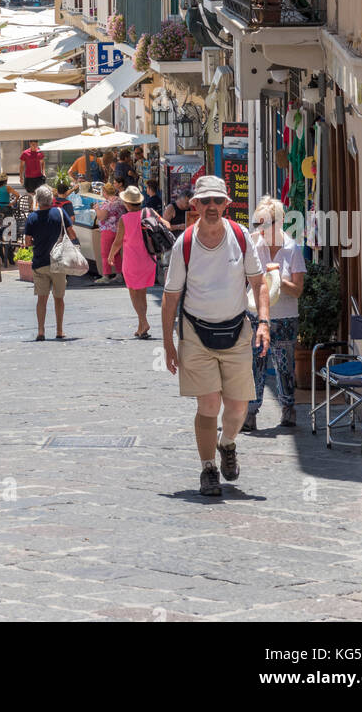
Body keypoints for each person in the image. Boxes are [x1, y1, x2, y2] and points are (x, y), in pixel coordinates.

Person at [161, 175, 269, 498]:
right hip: (196, 332)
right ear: (194, 206)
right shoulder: (186, 244)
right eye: (204, 201)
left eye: (217, 201)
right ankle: (208, 468)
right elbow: (170, 297)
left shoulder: (240, 236)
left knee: (237, 409)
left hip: (236, 330)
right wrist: (168, 342)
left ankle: (227, 443)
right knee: (208, 403)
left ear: (226, 204)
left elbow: (260, 283)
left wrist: (263, 322)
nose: (211, 207)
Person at [243, 195, 305, 432]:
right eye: (256, 223)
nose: (259, 229)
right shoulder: (253, 245)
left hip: (286, 316)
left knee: (284, 366)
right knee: (255, 364)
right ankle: (250, 413)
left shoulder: (292, 249)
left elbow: (298, 290)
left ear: (278, 223)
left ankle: (288, 409)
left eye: (264, 224)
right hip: (256, 314)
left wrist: (278, 278)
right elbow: (243, 279)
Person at [24, 184, 81, 341]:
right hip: (58, 262)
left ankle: (41, 331)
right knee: (59, 298)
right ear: (51, 199)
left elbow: (28, 242)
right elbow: (72, 233)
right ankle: (59, 330)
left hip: (40, 262)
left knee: (41, 299)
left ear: (38, 200)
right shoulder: (60, 212)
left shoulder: (32, 218)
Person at [107, 185, 158, 337]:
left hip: (132, 260)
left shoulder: (124, 219)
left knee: (134, 293)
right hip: (149, 258)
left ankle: (144, 321)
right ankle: (141, 326)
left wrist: (111, 255)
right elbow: (165, 225)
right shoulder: (149, 213)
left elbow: (117, 242)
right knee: (142, 293)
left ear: (127, 204)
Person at [94, 180, 124, 285]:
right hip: (119, 230)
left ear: (105, 192)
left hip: (108, 230)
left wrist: (97, 209)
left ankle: (106, 275)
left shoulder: (107, 203)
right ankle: (119, 274)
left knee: (105, 253)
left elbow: (102, 217)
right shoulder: (120, 201)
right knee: (116, 253)